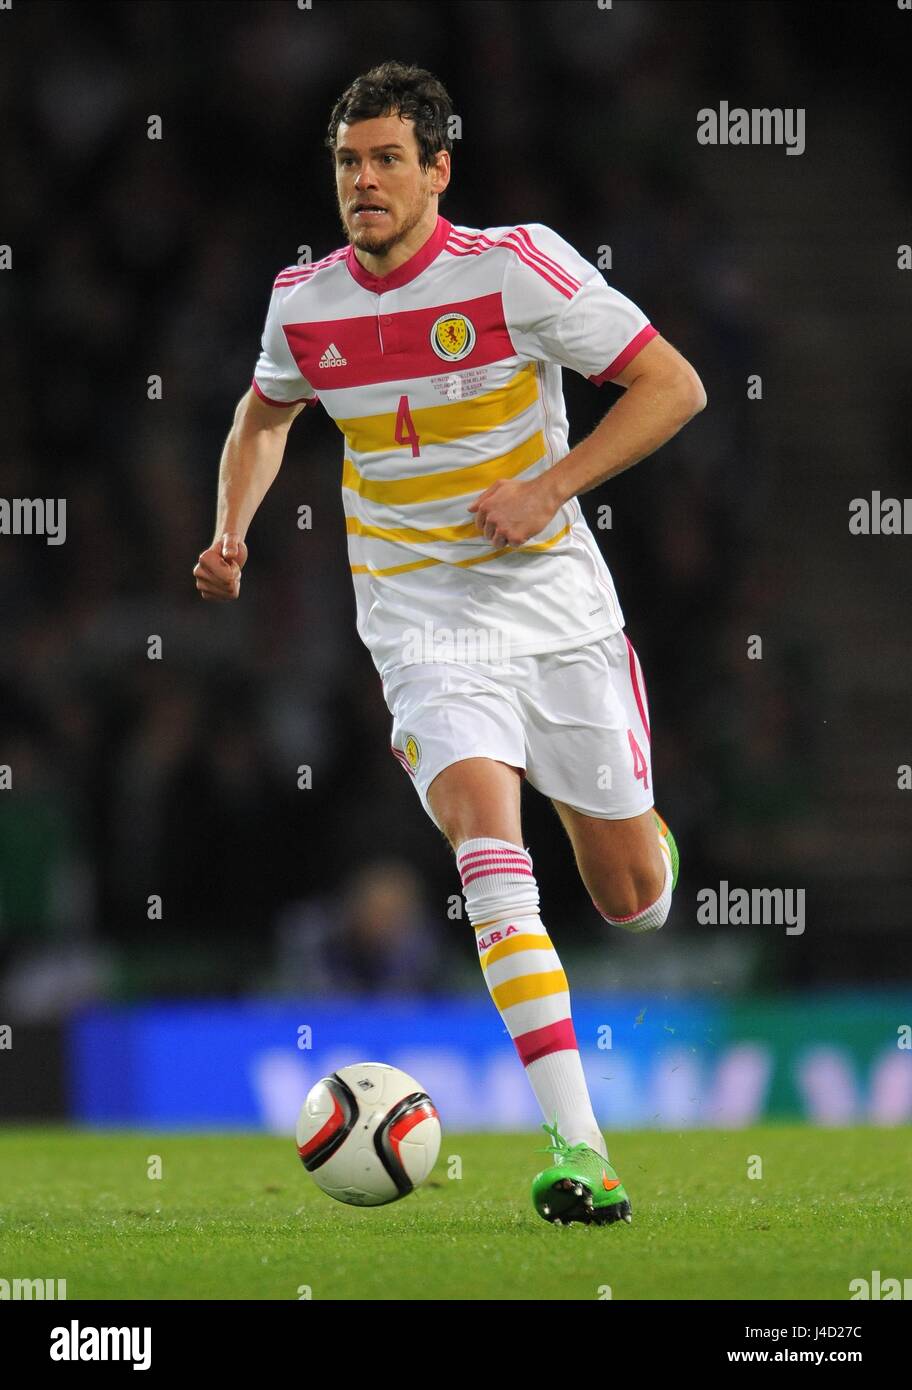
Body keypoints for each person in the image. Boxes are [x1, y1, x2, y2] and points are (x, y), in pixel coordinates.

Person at [194, 61, 705, 1228]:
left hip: (559, 610)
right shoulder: (303, 301)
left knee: (632, 899)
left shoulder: (517, 267)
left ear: (437, 170)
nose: (363, 182)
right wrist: (230, 529)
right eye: (346, 162)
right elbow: (264, 413)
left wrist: (550, 485)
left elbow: (671, 387)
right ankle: (584, 1152)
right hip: (422, 620)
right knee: (487, 838)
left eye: (385, 160)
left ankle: (641, 839)